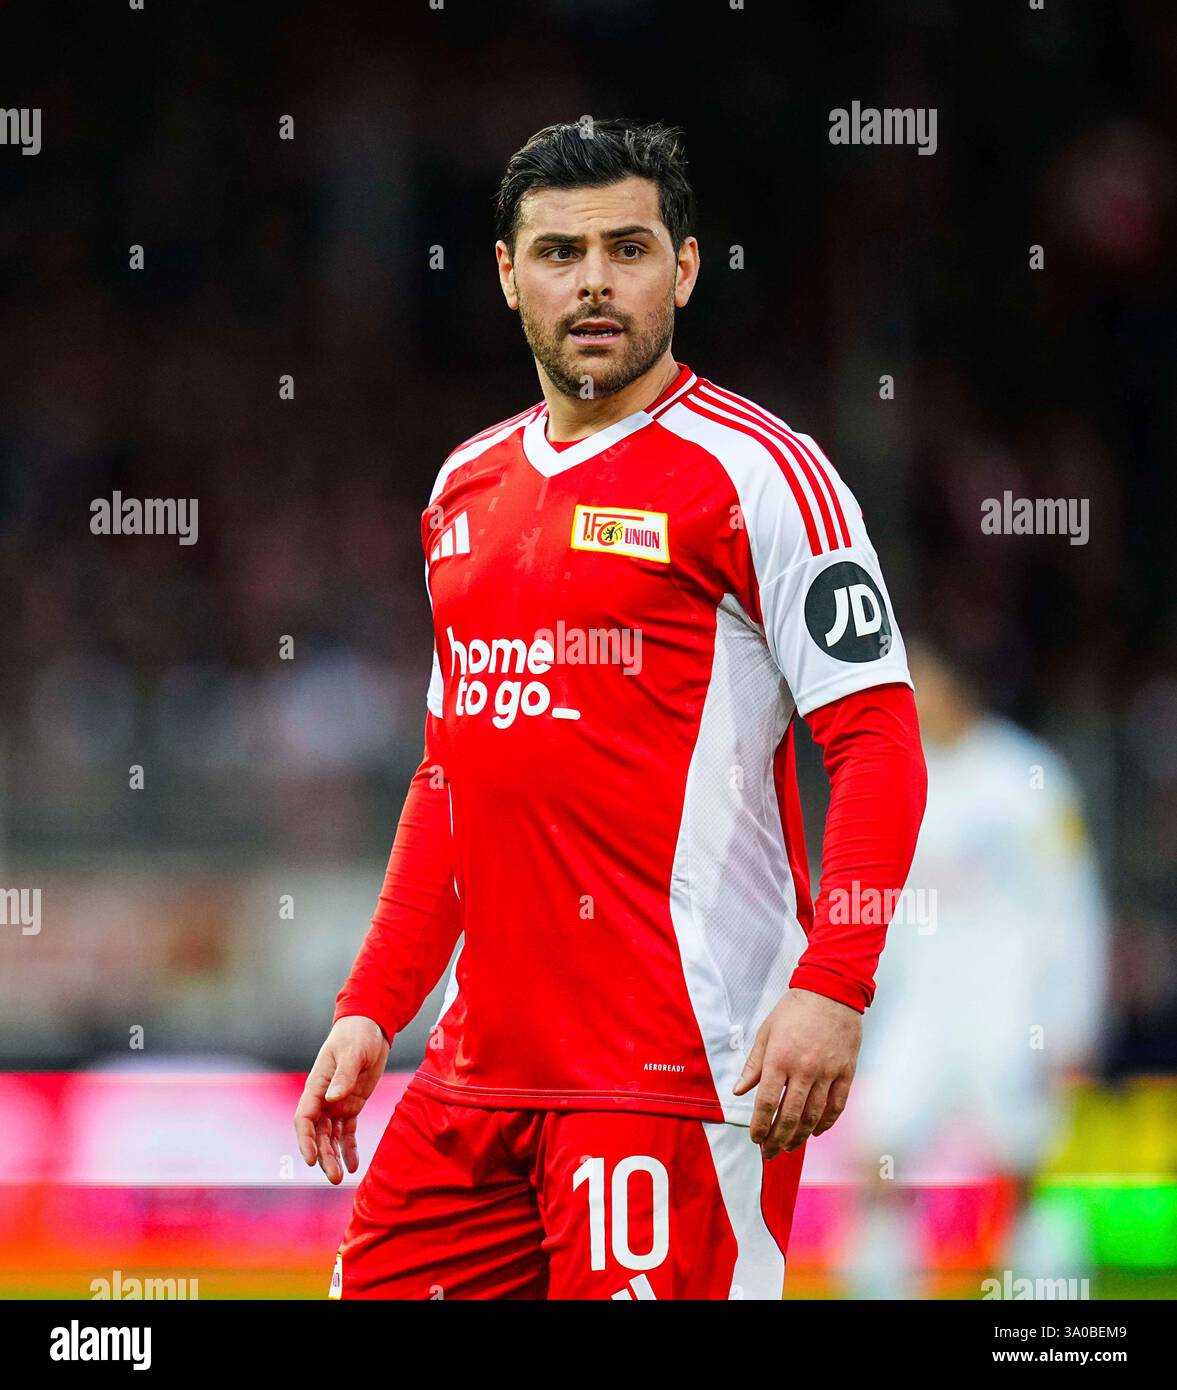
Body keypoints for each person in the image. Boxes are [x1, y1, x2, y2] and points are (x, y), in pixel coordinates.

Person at [294, 118, 926, 1300]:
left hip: (674, 1076)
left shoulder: (763, 475)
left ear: (683, 268)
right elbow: (451, 779)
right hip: (472, 1081)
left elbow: (879, 743)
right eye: (559, 251)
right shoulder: (462, 487)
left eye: (628, 249)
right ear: (504, 273)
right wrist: (375, 1004)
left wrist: (836, 983)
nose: (592, 280)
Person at [844, 640, 1108, 1298]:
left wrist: (1069, 1017)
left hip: (1010, 1007)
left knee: (1021, 1170)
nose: (908, 697)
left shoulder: (1026, 777)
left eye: (919, 680)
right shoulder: (901, 778)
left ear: (955, 683)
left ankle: (1048, 1307)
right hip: (922, 1008)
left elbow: (1071, 905)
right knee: (877, 1155)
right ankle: (886, 1288)